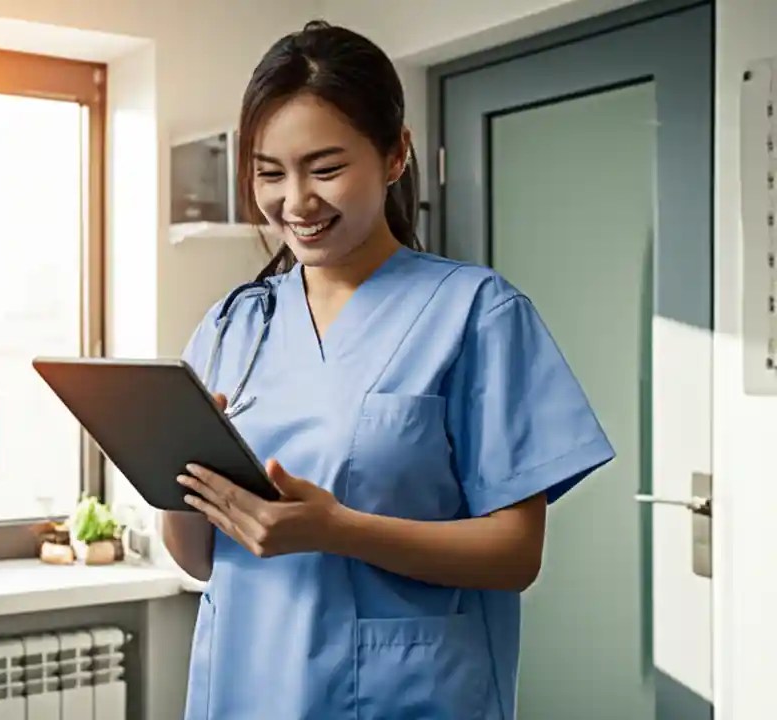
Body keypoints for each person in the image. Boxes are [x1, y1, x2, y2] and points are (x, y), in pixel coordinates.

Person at [161, 20, 615, 720]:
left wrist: (335, 528)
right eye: (270, 173)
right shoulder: (232, 326)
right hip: (243, 689)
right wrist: (176, 465)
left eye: (327, 167)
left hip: (402, 697)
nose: (296, 203)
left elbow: (515, 555)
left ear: (396, 155)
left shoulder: (475, 313)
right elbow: (197, 559)